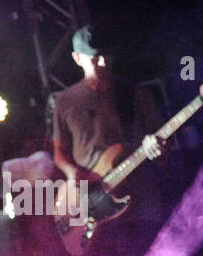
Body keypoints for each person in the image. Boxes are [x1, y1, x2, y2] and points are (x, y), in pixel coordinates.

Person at [51, 25, 163, 186]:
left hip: (137, 180)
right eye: (95, 58)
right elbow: (59, 151)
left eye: (106, 55)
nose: (103, 62)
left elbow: (157, 131)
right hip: (92, 191)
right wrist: (70, 171)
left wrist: (154, 144)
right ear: (77, 59)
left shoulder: (132, 91)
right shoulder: (64, 101)